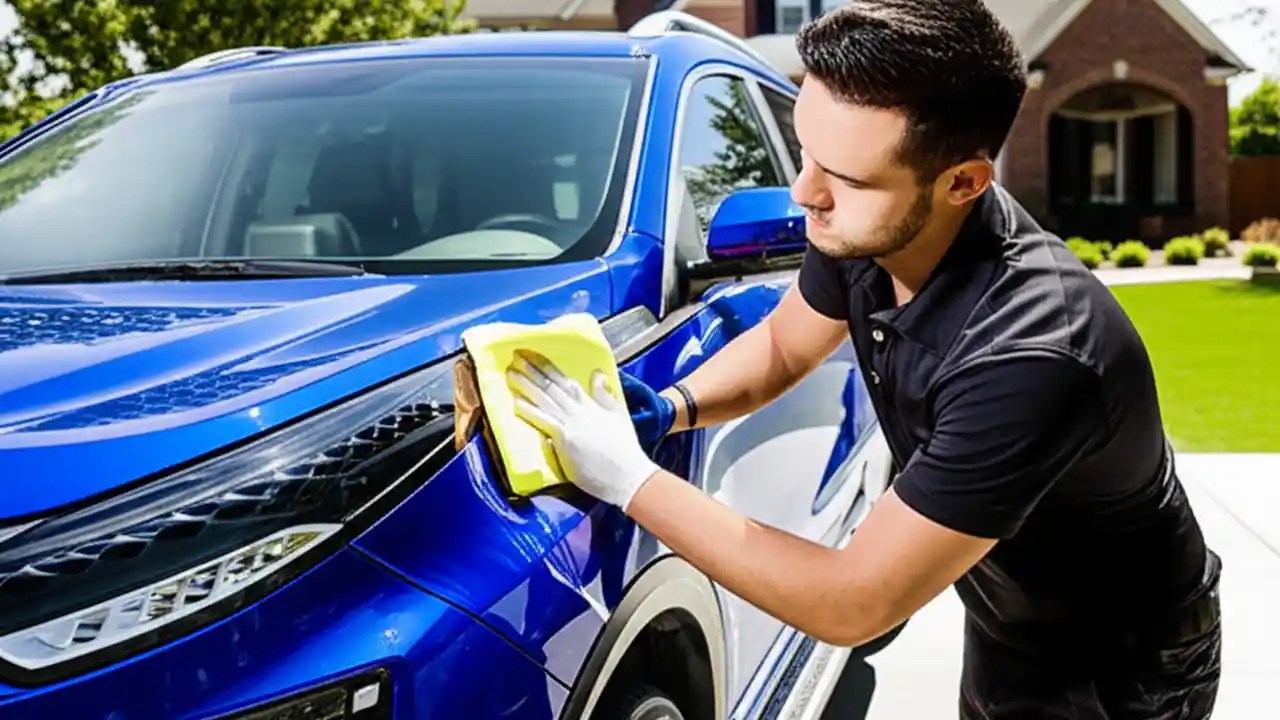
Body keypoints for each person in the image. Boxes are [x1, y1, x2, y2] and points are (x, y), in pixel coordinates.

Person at [505, 1, 1223, 716]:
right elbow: (785, 346)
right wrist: (675, 407)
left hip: (1123, 662)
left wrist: (629, 481)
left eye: (844, 178)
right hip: (1014, 618)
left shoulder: (1034, 357)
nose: (803, 192)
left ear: (964, 183)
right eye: (806, 152)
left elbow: (853, 603)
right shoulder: (870, 233)